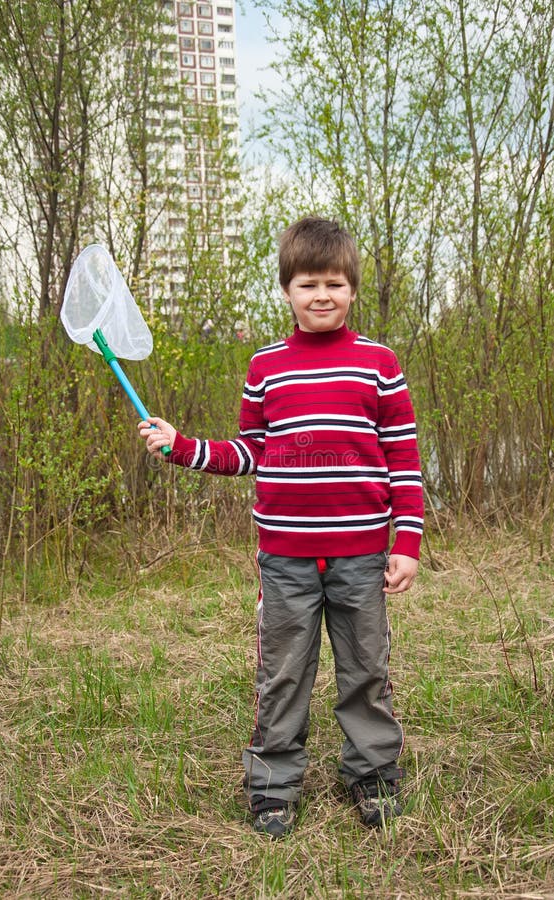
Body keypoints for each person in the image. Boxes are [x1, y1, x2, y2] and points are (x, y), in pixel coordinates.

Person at [138, 216, 424, 837]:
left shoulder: (379, 364)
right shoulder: (266, 367)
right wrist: (183, 446)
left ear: (352, 288)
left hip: (362, 556)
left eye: (334, 283)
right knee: (283, 671)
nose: (322, 295)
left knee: (366, 667)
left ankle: (373, 775)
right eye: (307, 284)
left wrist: (408, 541)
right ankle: (272, 785)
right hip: (286, 558)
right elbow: (250, 451)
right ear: (287, 291)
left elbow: (403, 456)